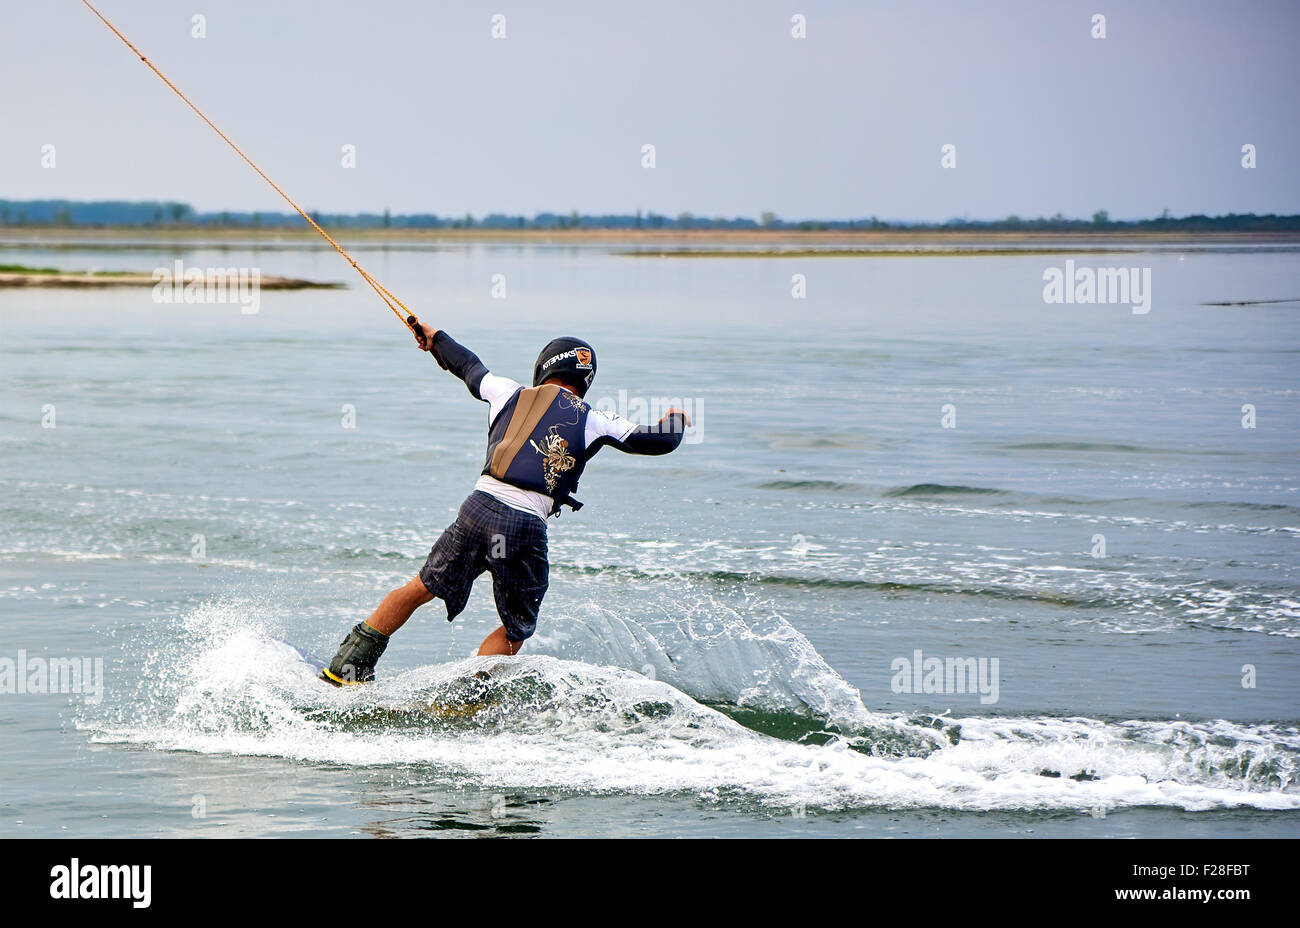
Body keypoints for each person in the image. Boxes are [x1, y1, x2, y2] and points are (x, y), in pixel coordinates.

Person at [321, 320, 690, 685]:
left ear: (544, 368)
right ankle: (463, 695)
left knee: (420, 588)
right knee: (516, 628)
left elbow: (467, 365)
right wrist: (676, 418)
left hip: (477, 507)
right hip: (523, 524)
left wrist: (436, 339)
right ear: (586, 381)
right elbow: (659, 442)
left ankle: (345, 669)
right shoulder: (595, 418)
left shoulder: (507, 393)